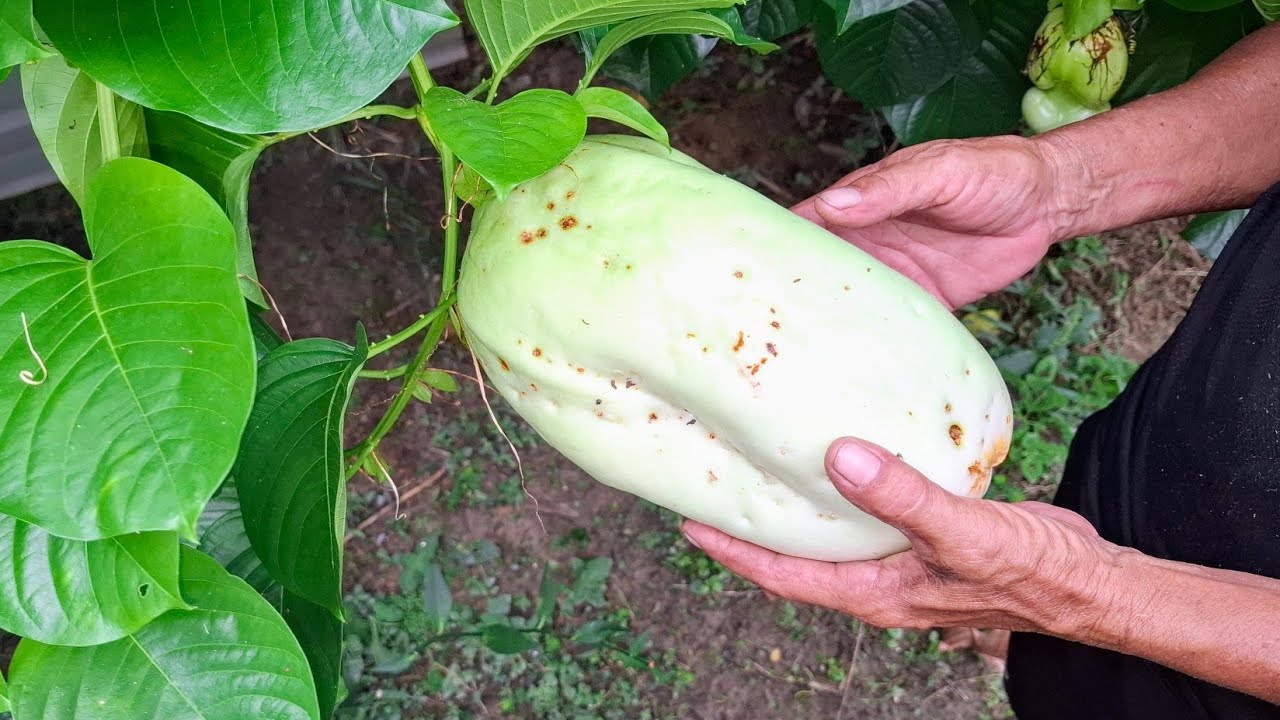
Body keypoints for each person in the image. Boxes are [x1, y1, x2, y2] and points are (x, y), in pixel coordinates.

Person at [679, 20, 1280, 719]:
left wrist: (1099, 594)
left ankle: (1031, 629)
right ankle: (1021, 637)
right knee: (1055, 638)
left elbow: (1093, 590)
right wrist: (1064, 183)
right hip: (1153, 461)